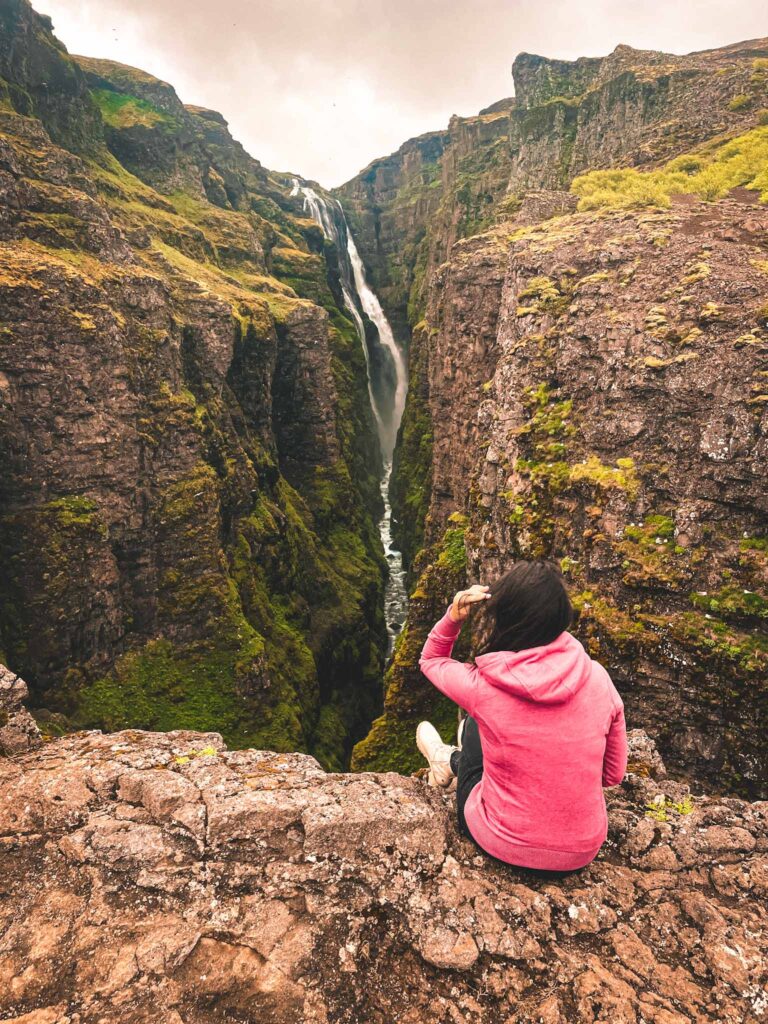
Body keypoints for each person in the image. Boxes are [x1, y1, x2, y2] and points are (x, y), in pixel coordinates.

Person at [416, 560, 627, 873]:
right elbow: (612, 776)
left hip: (502, 842)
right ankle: (460, 758)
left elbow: (431, 660)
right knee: (484, 725)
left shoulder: (483, 688)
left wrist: (454, 616)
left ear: (506, 620)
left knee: (475, 724)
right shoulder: (599, 678)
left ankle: (449, 762)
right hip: (581, 852)